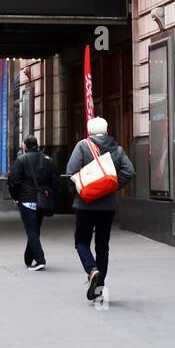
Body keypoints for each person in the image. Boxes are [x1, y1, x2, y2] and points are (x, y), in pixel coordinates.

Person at [66, 117, 135, 301]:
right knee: (102, 246)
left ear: (89, 130)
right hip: (107, 206)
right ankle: (98, 289)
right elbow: (129, 172)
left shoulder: (82, 146)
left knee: (81, 241)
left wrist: (82, 189)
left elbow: (70, 172)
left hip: (85, 204)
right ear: (106, 130)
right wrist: (112, 186)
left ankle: (92, 269)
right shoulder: (117, 149)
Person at [8, 136, 57, 270]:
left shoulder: (21, 160)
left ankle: (40, 259)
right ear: (37, 145)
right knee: (35, 229)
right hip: (42, 200)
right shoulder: (48, 160)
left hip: (26, 199)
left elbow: (13, 180)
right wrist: (50, 195)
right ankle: (29, 257)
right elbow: (54, 180)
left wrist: (16, 197)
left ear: (25, 146)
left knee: (31, 230)